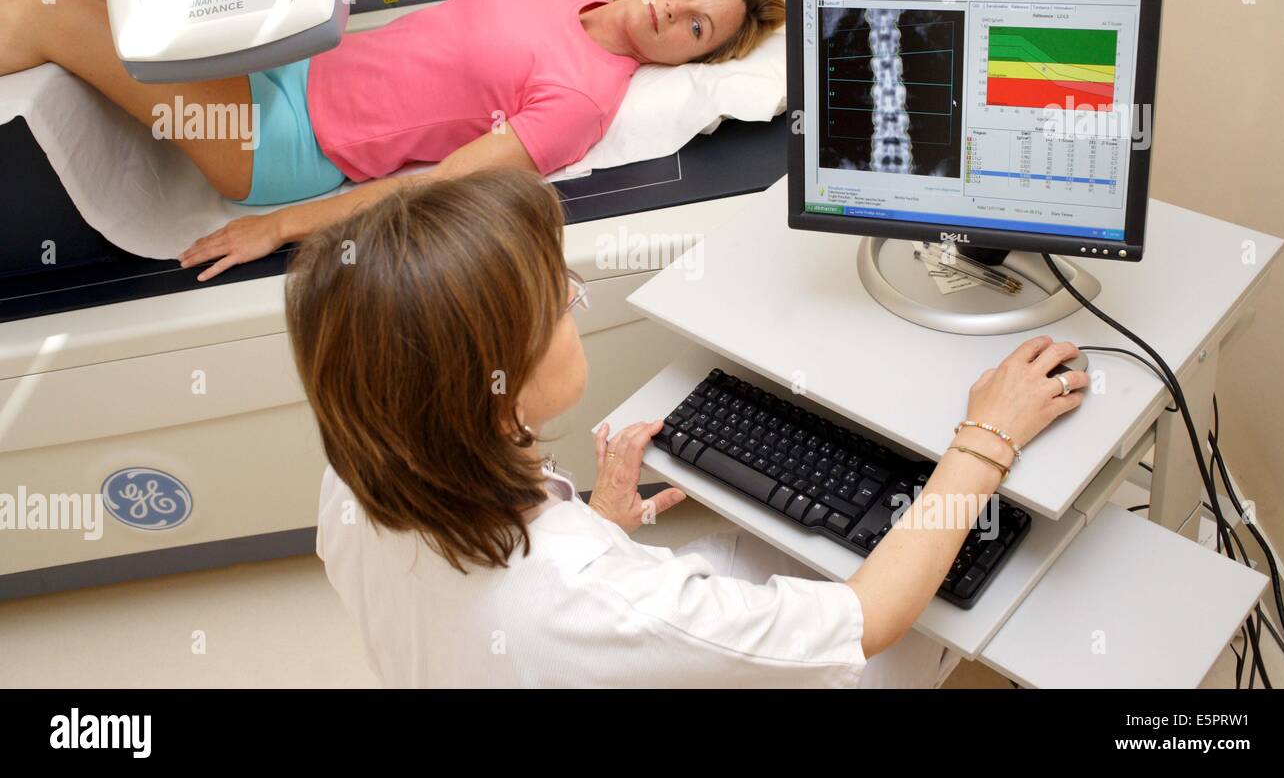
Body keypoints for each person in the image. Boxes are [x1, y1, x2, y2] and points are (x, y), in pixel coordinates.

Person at [284, 168, 1090, 688]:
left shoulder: (359, 469)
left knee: (771, 547)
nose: (572, 295)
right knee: (925, 618)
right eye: (556, 298)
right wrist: (985, 439)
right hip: (566, 635)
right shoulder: (590, 600)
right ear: (496, 391)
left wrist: (594, 525)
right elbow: (866, 622)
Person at [0, 0, 783, 279]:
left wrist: (282, 225)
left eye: (697, 29)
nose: (674, 14)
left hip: (282, 138)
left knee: (49, 14)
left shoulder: (582, 104)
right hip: (282, 64)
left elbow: (442, 184)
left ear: (696, 59)